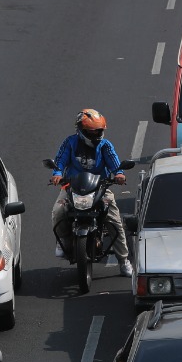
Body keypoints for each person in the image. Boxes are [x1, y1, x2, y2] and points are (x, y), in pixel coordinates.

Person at [50, 109, 133, 277]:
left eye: (98, 131)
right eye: (91, 131)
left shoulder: (105, 146)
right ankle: (63, 242)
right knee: (58, 212)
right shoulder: (70, 143)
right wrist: (57, 175)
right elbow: (60, 161)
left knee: (115, 221)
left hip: (100, 188)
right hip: (71, 187)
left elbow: (115, 164)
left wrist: (119, 174)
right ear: (81, 131)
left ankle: (124, 261)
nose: (95, 134)